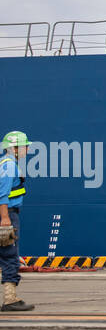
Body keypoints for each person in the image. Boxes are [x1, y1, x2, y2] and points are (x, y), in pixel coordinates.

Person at [0, 132, 33, 312]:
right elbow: (2, 195)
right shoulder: (9, 166)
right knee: (9, 254)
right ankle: (9, 299)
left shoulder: (5, 164)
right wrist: (5, 219)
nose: (27, 149)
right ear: (14, 148)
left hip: (8, 214)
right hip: (7, 215)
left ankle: (11, 297)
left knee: (7, 253)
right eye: (24, 146)